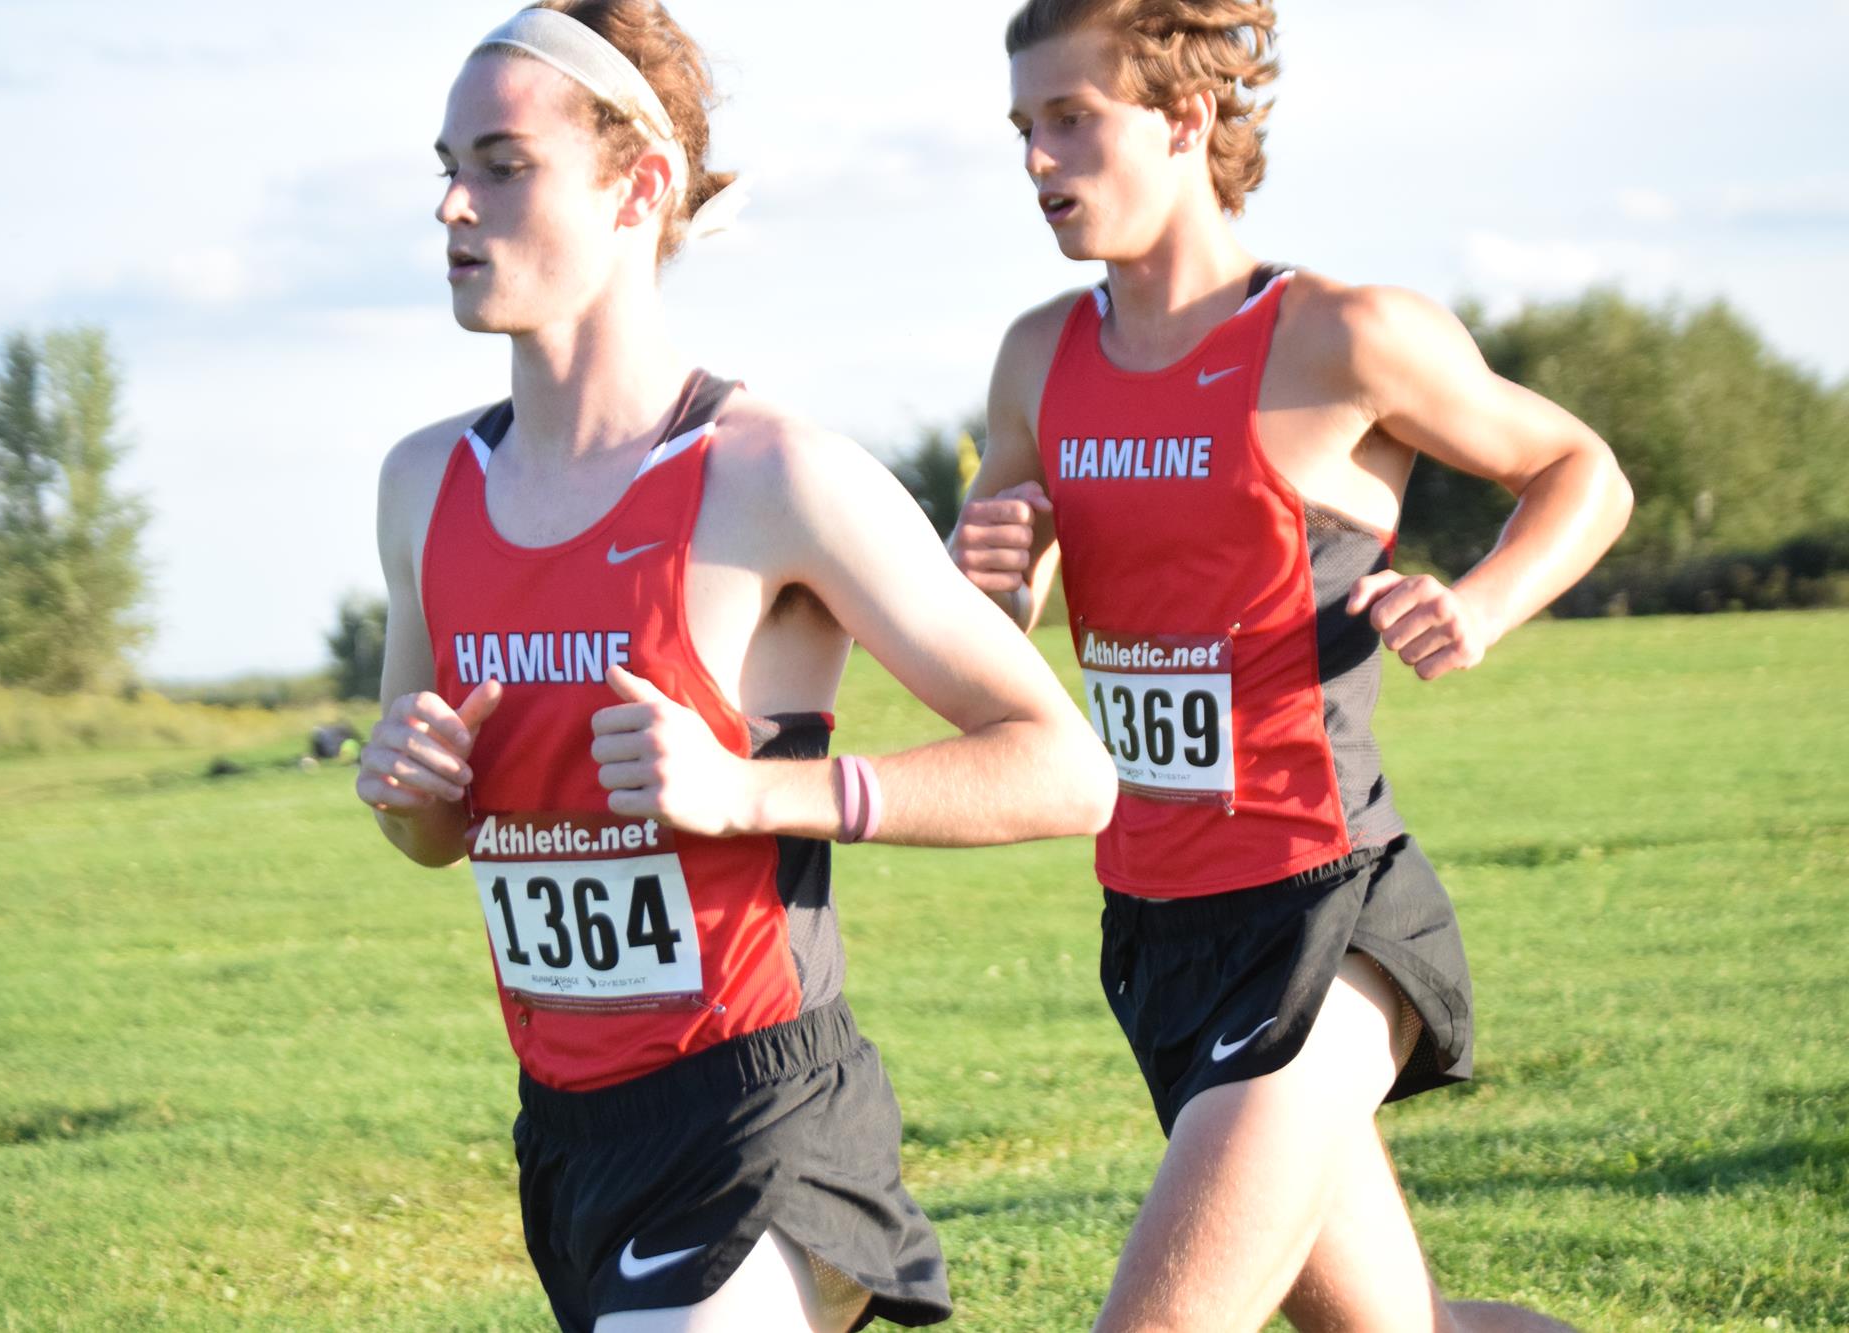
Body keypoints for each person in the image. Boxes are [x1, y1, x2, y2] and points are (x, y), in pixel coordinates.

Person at [354, 4, 1117, 1331]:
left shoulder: (771, 473)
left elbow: (1067, 768)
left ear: (638, 187)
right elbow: (434, 832)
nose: (451, 208)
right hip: (568, 1136)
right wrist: (412, 793)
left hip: (758, 1115)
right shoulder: (426, 484)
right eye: (446, 166)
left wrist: (755, 793)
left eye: (500, 164)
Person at [949, 2, 1634, 1329]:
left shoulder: (1341, 332)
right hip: (1155, 925)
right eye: (1025, 129)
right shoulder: (1040, 357)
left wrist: (1482, 603)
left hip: (1325, 905)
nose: (1037, 161)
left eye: (1071, 120)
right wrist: (995, 565)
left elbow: (1580, 470)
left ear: (1186, 120)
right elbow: (993, 620)